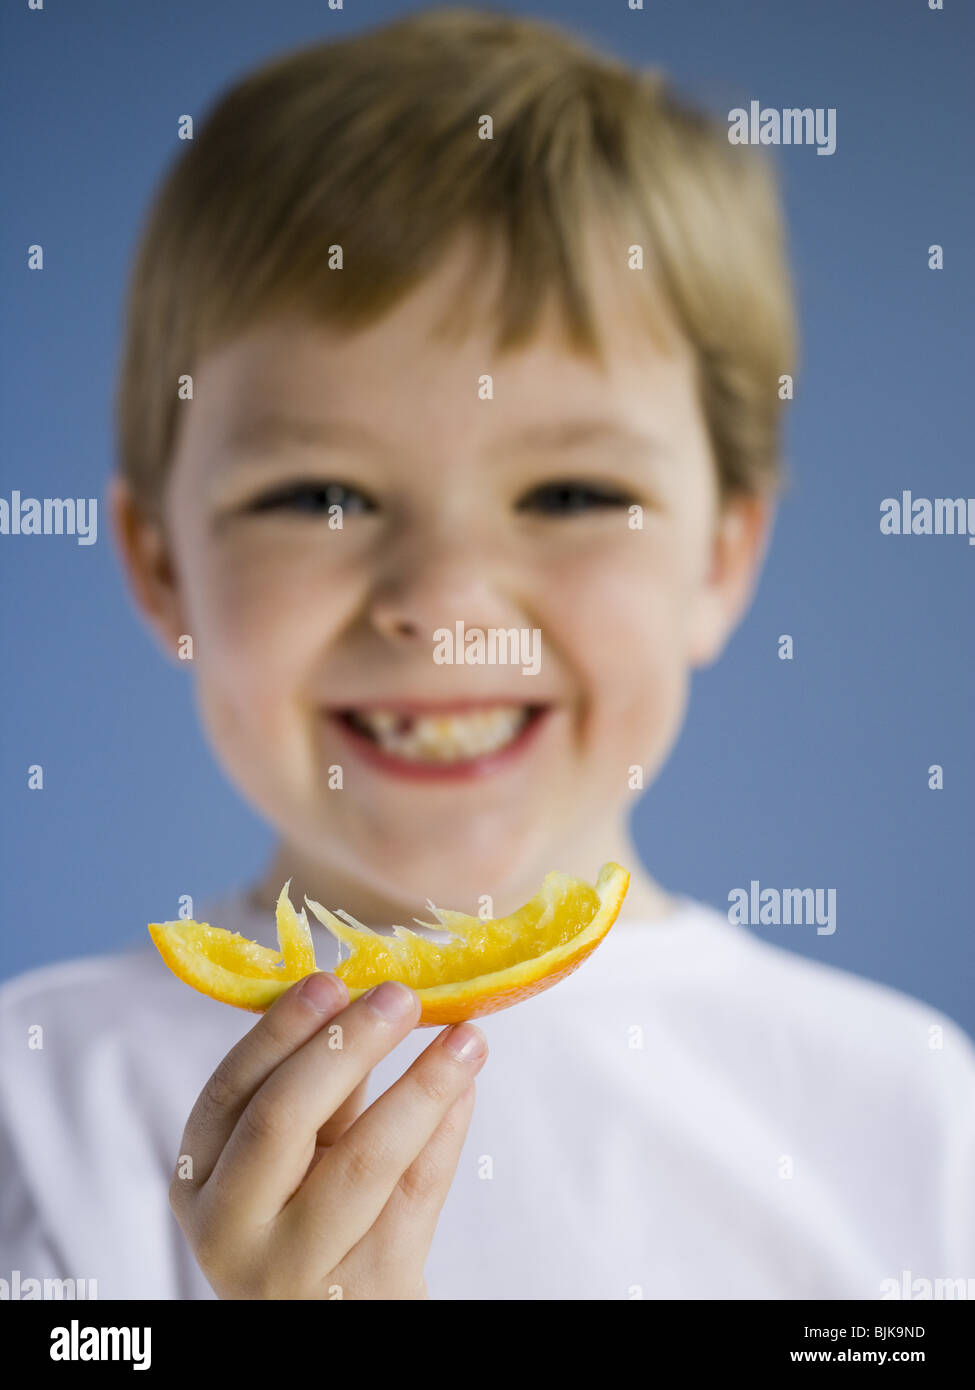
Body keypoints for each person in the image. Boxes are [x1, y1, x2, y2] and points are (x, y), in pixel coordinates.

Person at [2, 7, 972, 1301]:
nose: (444, 603)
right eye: (320, 496)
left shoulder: (908, 1112)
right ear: (160, 561)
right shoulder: (39, 1098)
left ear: (723, 557)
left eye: (571, 494)